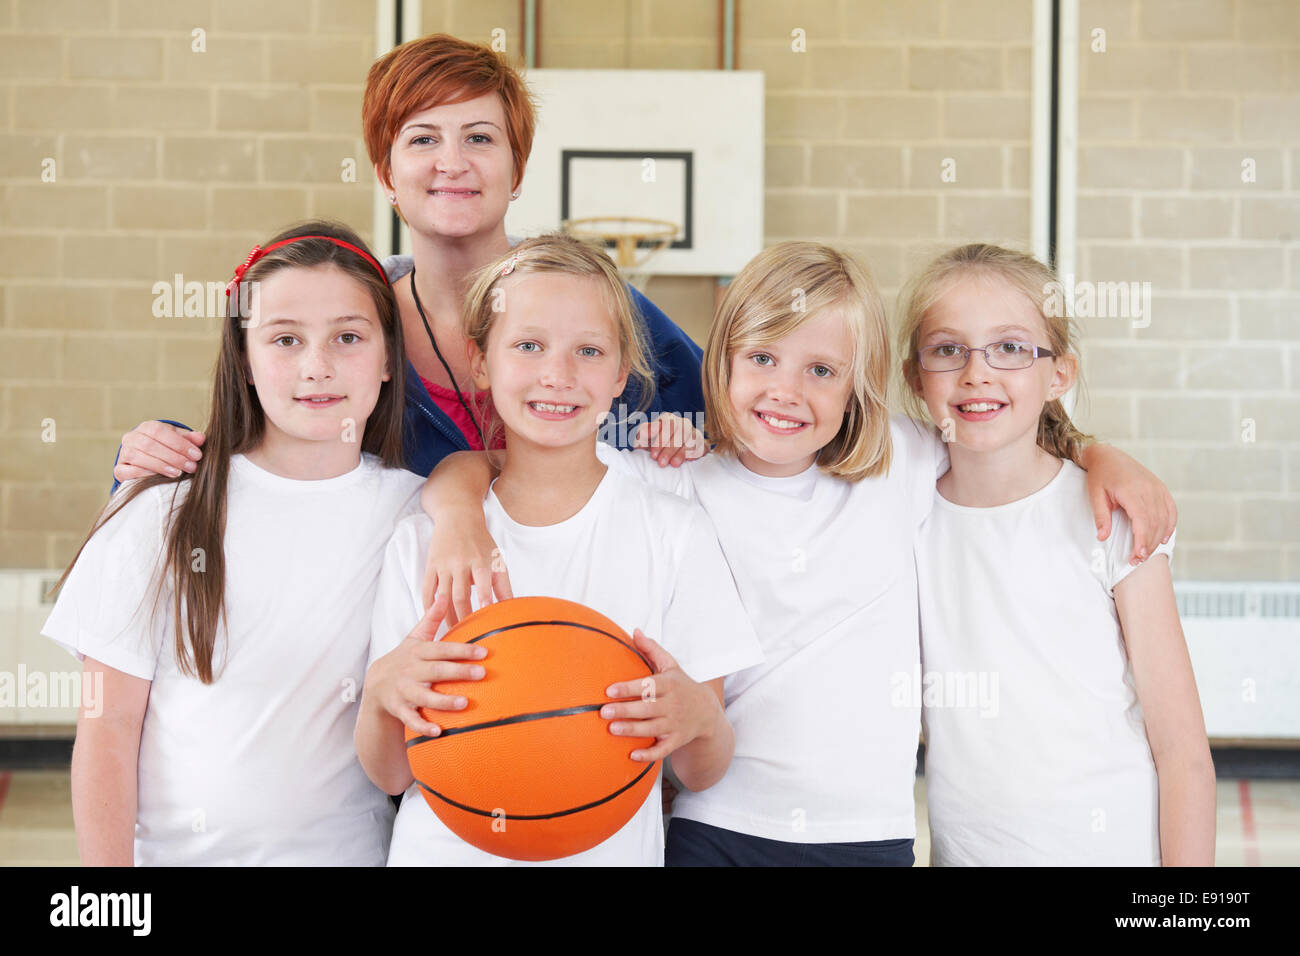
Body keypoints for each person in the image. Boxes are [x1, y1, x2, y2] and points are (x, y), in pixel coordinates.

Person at [419, 241, 1177, 866]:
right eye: (763, 359)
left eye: (821, 370)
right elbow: (525, 463)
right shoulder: (672, 481)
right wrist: (454, 502)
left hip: (866, 836)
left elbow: (996, 427)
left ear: (858, 388)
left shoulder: (900, 467)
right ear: (723, 359)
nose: (787, 390)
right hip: (714, 824)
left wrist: (1097, 452)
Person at [109, 34, 705, 515]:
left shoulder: (595, 307)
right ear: (386, 174)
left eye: (479, 137)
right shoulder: (347, 325)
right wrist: (163, 447)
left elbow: (747, 427)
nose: (452, 162)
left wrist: (693, 443)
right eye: (423, 139)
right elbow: (260, 454)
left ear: (516, 169)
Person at [356, 235, 763, 866]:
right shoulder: (425, 539)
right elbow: (389, 775)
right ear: (481, 361)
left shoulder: (675, 532)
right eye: (528, 345)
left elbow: (701, 771)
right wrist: (383, 691)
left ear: (622, 372)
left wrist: (703, 721)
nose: (558, 375)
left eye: (589, 351)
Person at [41, 222, 424, 866]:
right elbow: (107, 728)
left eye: (349, 337)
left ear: (388, 358)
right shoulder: (162, 510)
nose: (317, 366)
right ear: (243, 358)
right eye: (285, 339)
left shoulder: (419, 511)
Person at [898, 242, 1215, 865]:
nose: (977, 372)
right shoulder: (902, 515)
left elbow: (1183, 754)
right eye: (948, 349)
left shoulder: (1111, 520)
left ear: (1058, 376)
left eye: (1010, 347)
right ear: (916, 376)